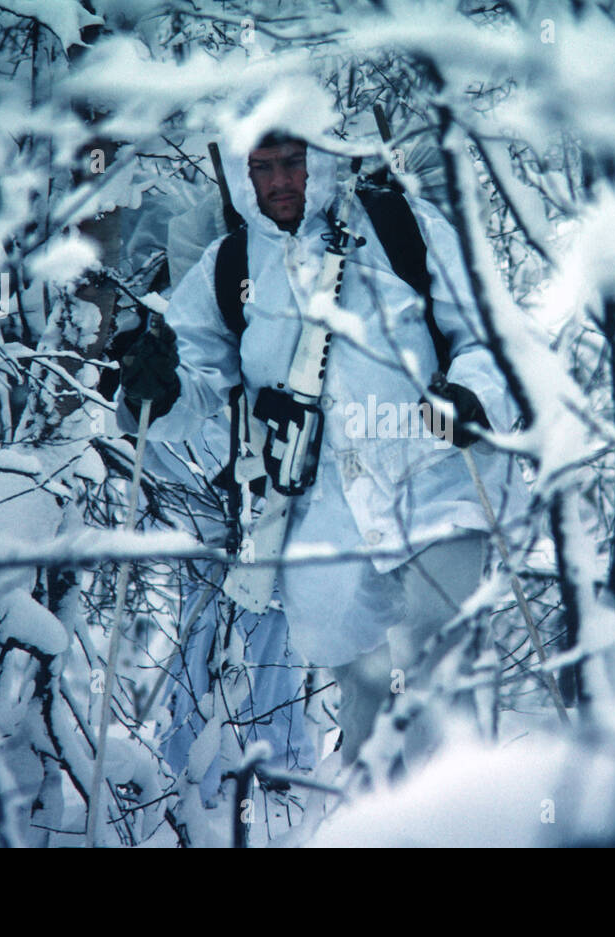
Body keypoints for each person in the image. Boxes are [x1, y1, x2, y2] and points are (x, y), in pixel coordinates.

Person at [116, 127, 524, 770]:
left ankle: (454, 821)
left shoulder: (399, 226)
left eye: (294, 163)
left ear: (325, 160)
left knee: (436, 672)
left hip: (434, 476)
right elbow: (191, 382)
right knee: (364, 699)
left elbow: (486, 334)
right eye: (262, 167)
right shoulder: (229, 266)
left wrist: (471, 396)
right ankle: (376, 828)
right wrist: (156, 389)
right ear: (241, 175)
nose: (280, 181)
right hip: (319, 509)